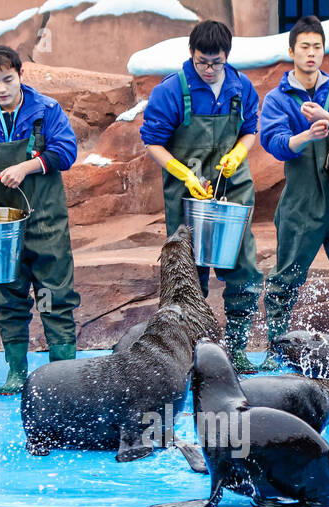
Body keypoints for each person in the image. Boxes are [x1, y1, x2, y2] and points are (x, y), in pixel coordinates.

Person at [139, 19, 263, 374]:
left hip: (231, 187)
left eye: (216, 62)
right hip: (186, 191)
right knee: (187, 274)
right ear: (191, 55)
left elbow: (249, 130)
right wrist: (183, 172)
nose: (209, 69)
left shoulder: (240, 87)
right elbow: (152, 141)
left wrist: (239, 152)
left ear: (227, 56)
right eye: (201, 62)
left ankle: (236, 349)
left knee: (243, 267)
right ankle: (192, 350)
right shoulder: (171, 90)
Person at [0, 45, 80, 395]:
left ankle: (63, 372)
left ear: (21, 76)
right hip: (3, 226)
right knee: (7, 297)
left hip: (46, 222)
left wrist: (28, 166)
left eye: (8, 80)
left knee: (55, 294)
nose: (1, 88)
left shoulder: (46, 111)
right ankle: (16, 370)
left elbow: (66, 151)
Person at [258, 15, 329, 371]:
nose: (311, 53)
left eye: (317, 47)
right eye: (304, 47)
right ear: (291, 51)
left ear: (324, 52)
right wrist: (306, 134)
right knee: (286, 277)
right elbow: (272, 143)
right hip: (301, 204)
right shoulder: (279, 98)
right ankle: (277, 351)